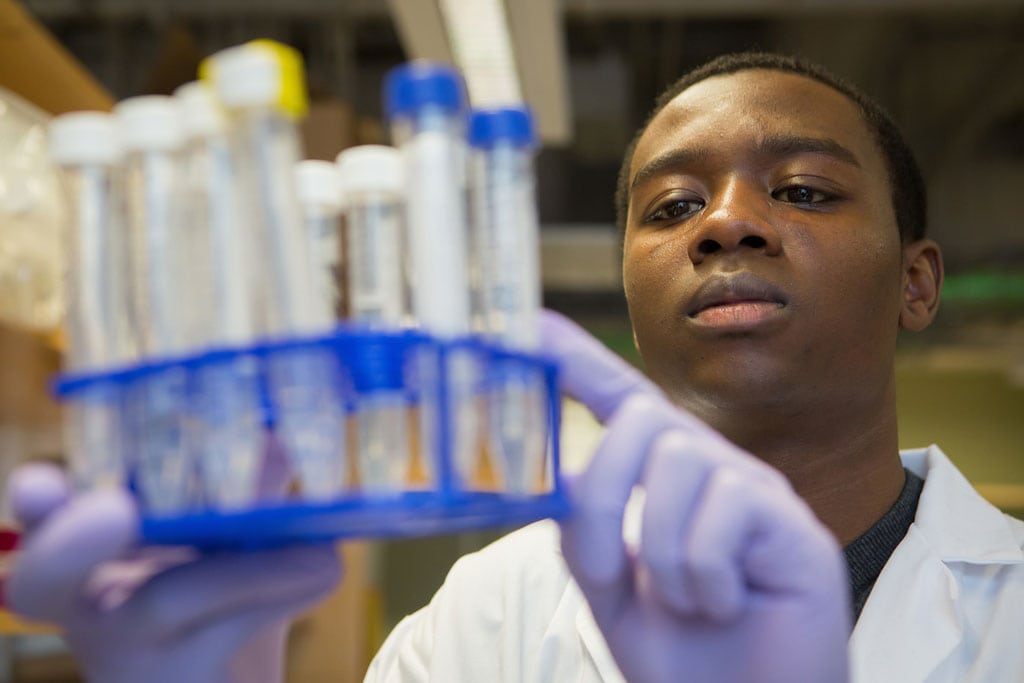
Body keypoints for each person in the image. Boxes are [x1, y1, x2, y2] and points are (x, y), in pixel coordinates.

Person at [4, 50, 1022, 682]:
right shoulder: (484, 615)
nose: (725, 224)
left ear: (917, 283)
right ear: (628, 296)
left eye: (801, 190)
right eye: (670, 207)